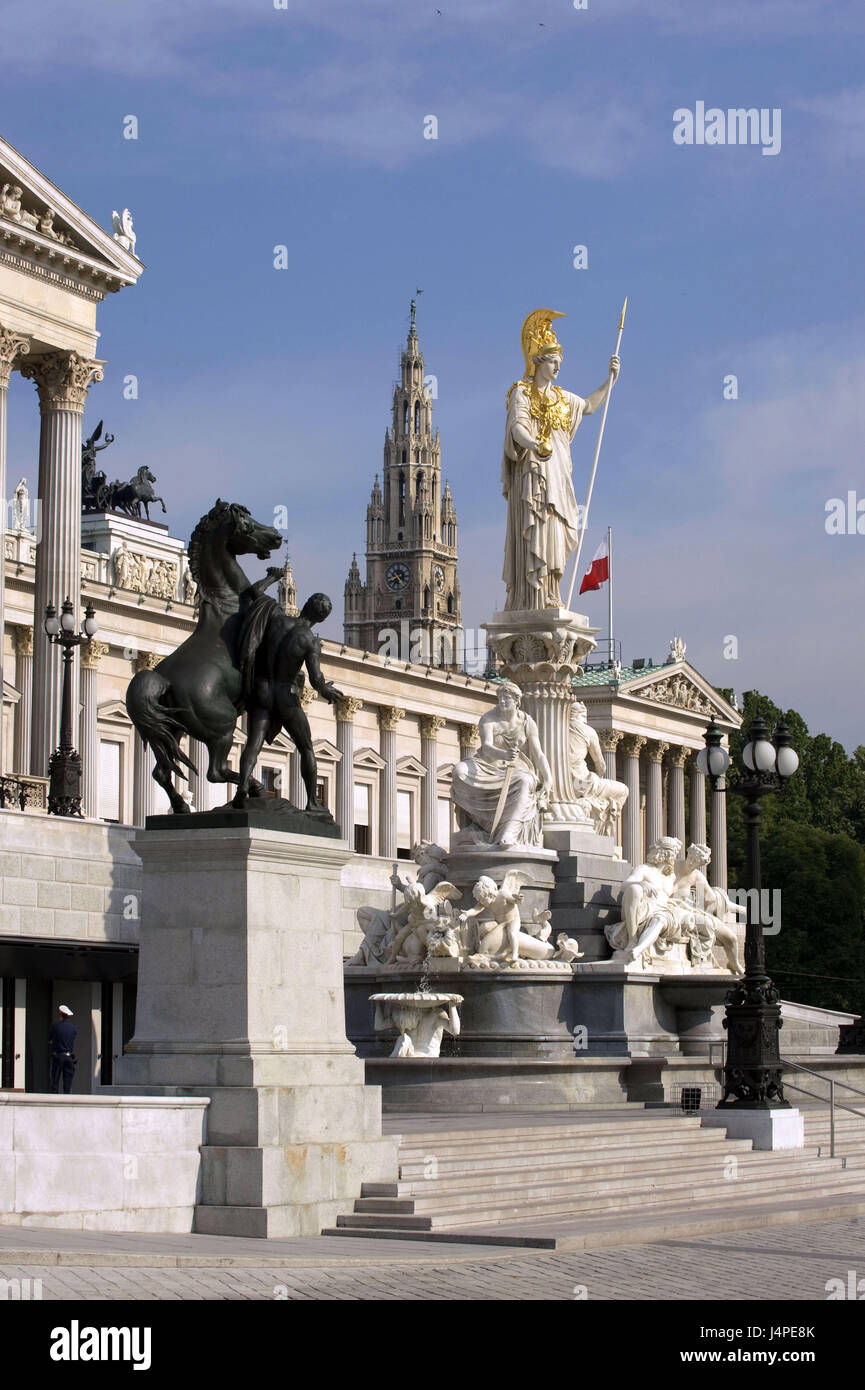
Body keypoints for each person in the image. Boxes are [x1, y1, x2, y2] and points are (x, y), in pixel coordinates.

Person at [501, 309, 620, 612]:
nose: (557, 367)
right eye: (553, 361)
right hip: (533, 471)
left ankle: (551, 591)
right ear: (539, 361)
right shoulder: (522, 393)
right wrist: (535, 444)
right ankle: (532, 598)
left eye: (559, 362)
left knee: (556, 529)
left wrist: (610, 380)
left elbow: (590, 406)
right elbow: (516, 428)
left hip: (559, 472)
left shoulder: (562, 398)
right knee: (536, 527)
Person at [451, 680, 552, 848]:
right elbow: (487, 747)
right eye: (500, 698)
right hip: (487, 764)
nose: (503, 702)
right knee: (459, 771)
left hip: (515, 768)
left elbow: (538, 753)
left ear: (517, 701)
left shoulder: (527, 723)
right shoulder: (488, 719)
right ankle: (486, 824)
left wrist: (548, 779)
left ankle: (509, 831)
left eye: (507, 699)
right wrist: (504, 753)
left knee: (525, 781)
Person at [48, 1005, 76, 1094]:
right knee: (67, 1082)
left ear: (61, 1014)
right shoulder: (73, 1027)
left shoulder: (56, 1026)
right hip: (69, 1057)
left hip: (58, 1056)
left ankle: (54, 1097)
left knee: (55, 1080)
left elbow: (50, 1040)